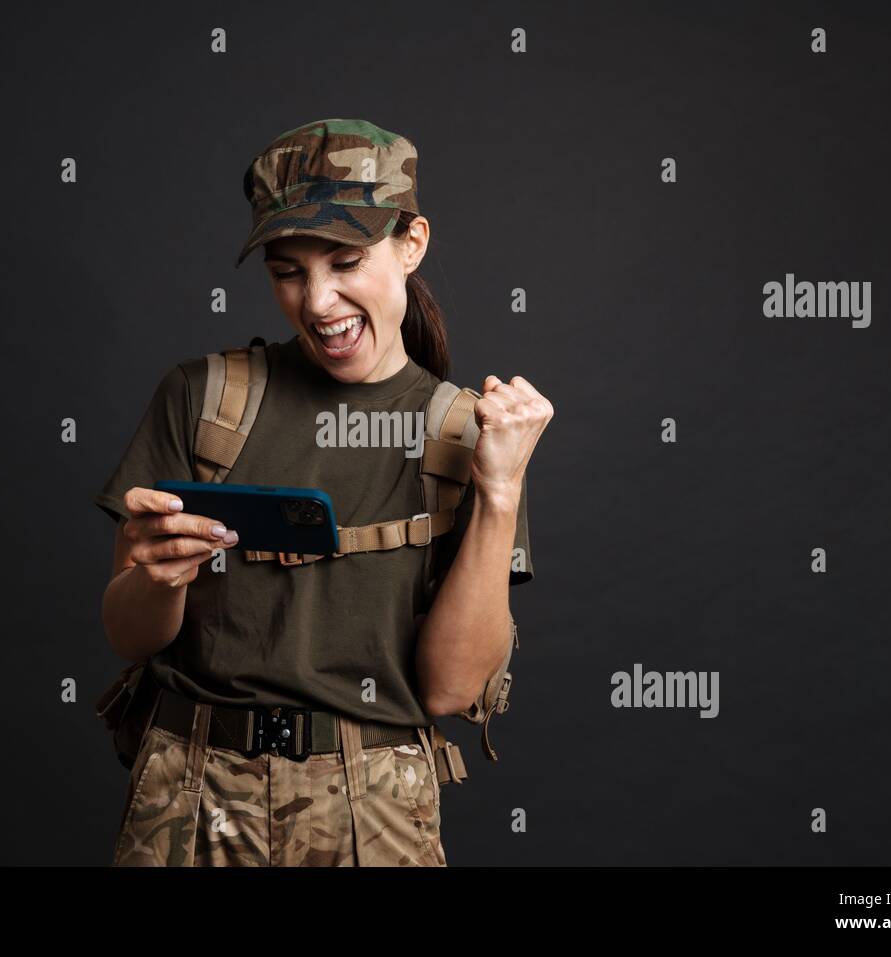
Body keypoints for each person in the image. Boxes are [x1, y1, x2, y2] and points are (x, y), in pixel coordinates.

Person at [93, 118, 553, 866]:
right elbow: (129, 635)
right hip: (191, 794)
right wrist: (158, 578)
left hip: (374, 809)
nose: (317, 301)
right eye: (288, 272)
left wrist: (498, 492)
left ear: (412, 243)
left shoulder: (472, 434)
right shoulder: (202, 398)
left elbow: (450, 690)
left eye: (346, 262)